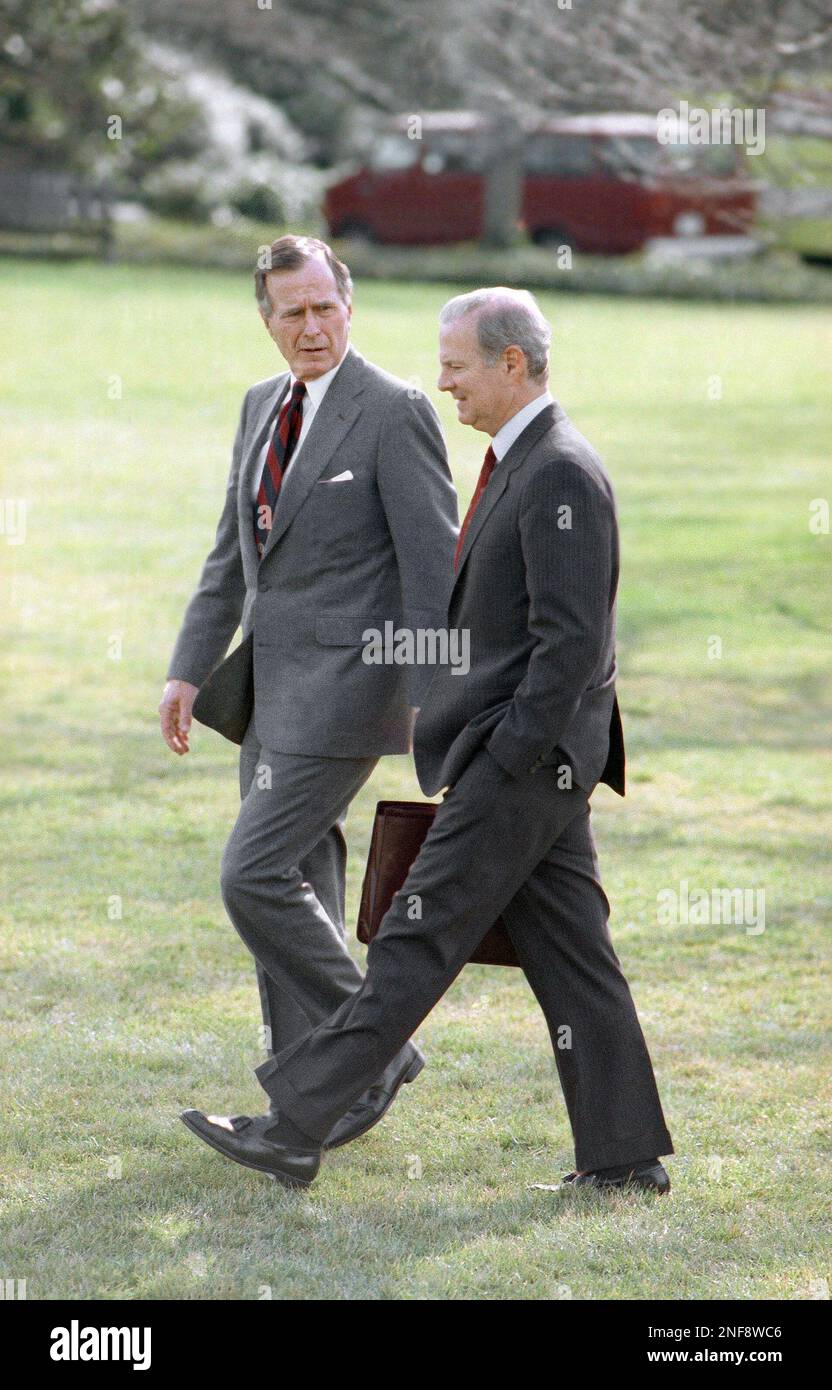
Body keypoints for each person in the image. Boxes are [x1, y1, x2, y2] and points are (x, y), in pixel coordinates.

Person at [180, 286, 674, 1193]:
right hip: (538, 764)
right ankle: (626, 1159)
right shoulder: (520, 461)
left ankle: (293, 1127)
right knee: (575, 960)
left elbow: (571, 648)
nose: (444, 383)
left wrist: (508, 756)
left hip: (523, 765)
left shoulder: (559, 471)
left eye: (457, 366)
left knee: (410, 943)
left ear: (511, 365)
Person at [162, 236, 458, 1149]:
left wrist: (433, 699)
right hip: (266, 695)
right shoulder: (261, 405)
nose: (311, 326)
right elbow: (230, 557)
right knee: (300, 884)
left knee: (251, 875)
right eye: (291, 311)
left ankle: (378, 1044)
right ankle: (308, 1112)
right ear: (267, 321)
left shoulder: (395, 409)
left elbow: (433, 568)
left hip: (350, 694)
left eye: (324, 306)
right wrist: (186, 668)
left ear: (350, 305)